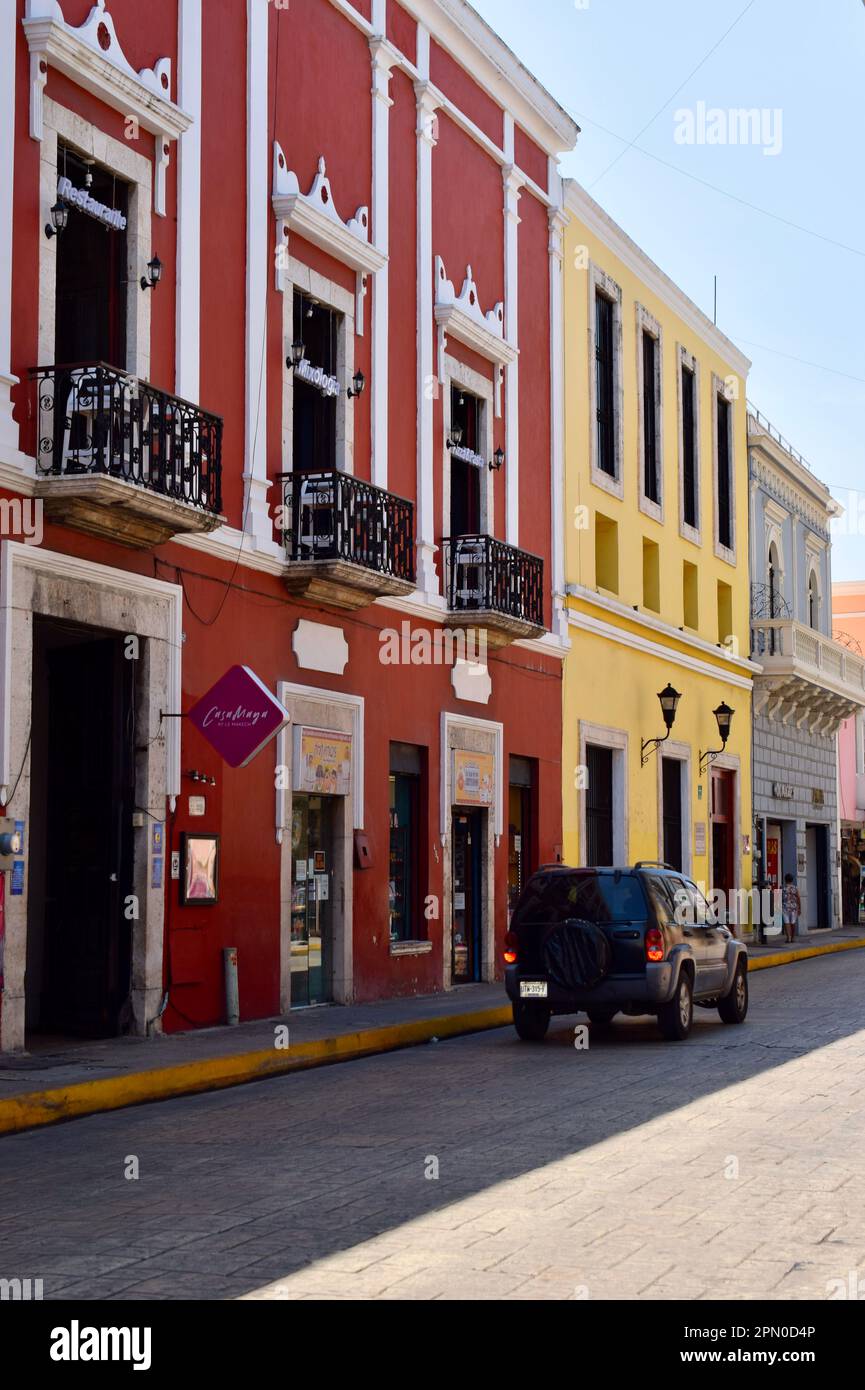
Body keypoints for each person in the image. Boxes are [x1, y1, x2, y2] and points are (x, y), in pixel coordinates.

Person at [781, 873, 801, 945]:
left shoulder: (782, 888)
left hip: (785, 907)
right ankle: (793, 937)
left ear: (785, 880)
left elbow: (779, 898)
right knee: (792, 923)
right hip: (793, 908)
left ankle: (788, 938)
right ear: (792, 880)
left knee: (787, 923)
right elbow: (798, 898)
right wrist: (799, 908)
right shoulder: (795, 888)